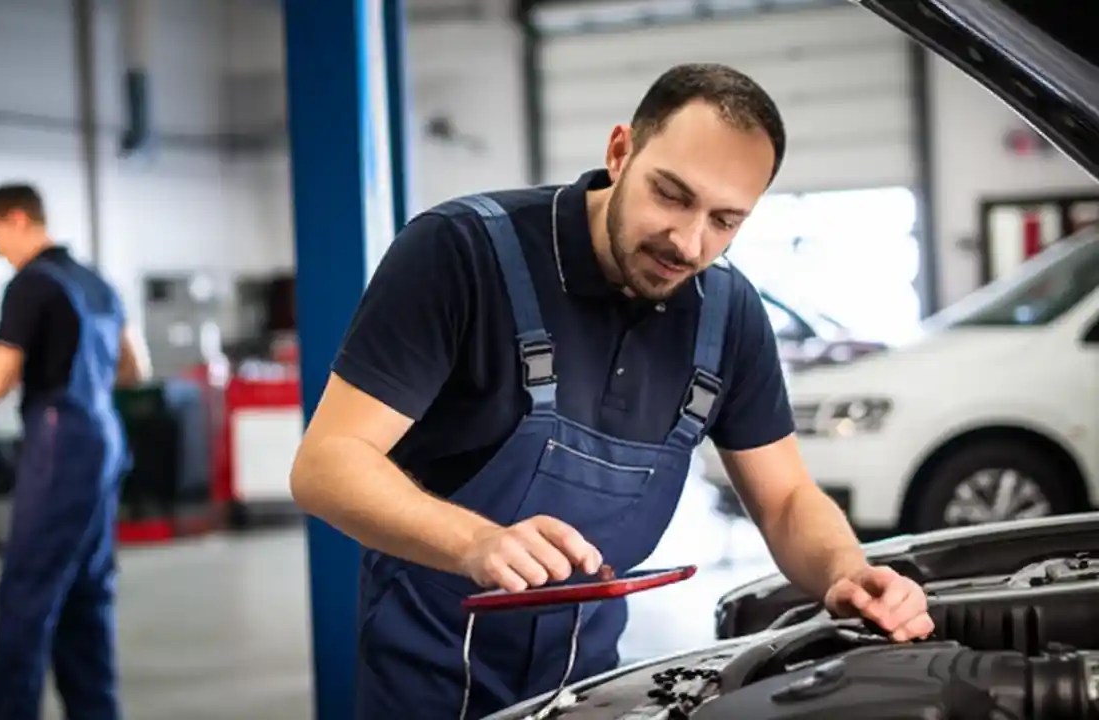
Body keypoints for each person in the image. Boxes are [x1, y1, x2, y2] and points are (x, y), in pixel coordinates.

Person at [289, 63, 934, 719]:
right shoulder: (460, 254)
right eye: (673, 195)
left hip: (587, 687)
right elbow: (327, 464)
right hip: (423, 674)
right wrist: (475, 543)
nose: (689, 242)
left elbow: (787, 498)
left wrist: (847, 572)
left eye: (725, 220)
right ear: (620, 151)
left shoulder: (728, 313)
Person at [0, 184, 150, 720]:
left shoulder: (29, 285)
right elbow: (135, 369)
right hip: (104, 437)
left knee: (27, 593)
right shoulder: (98, 283)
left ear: (17, 220)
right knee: (86, 593)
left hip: (60, 440)